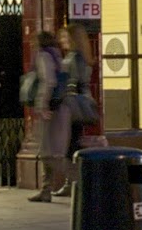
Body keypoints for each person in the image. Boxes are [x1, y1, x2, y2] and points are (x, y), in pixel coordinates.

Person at [28, 30, 71, 203]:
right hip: (60, 107)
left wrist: (43, 105)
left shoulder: (44, 56)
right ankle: (48, 188)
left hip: (51, 109)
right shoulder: (58, 56)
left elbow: (48, 81)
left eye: (34, 41)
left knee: (50, 152)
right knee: (52, 151)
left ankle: (75, 181)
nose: (31, 44)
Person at [60, 22, 96, 197]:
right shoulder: (83, 56)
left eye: (65, 37)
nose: (62, 40)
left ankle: (73, 183)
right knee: (73, 142)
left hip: (72, 104)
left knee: (69, 144)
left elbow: (73, 81)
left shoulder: (74, 57)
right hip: (79, 104)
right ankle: (74, 182)